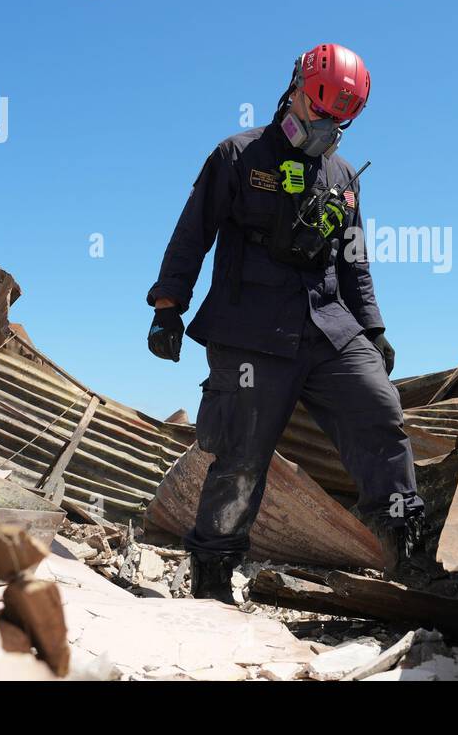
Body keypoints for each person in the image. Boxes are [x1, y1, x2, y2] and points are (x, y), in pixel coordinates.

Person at [145, 42, 424, 604]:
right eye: (320, 111)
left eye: (339, 118)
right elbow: (192, 233)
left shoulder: (344, 175)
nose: (326, 125)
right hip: (250, 331)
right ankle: (213, 579)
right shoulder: (237, 155)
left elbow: (354, 259)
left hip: (328, 328)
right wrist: (168, 307)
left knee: (381, 415)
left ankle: (410, 556)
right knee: (242, 458)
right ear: (296, 87)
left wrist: (371, 328)